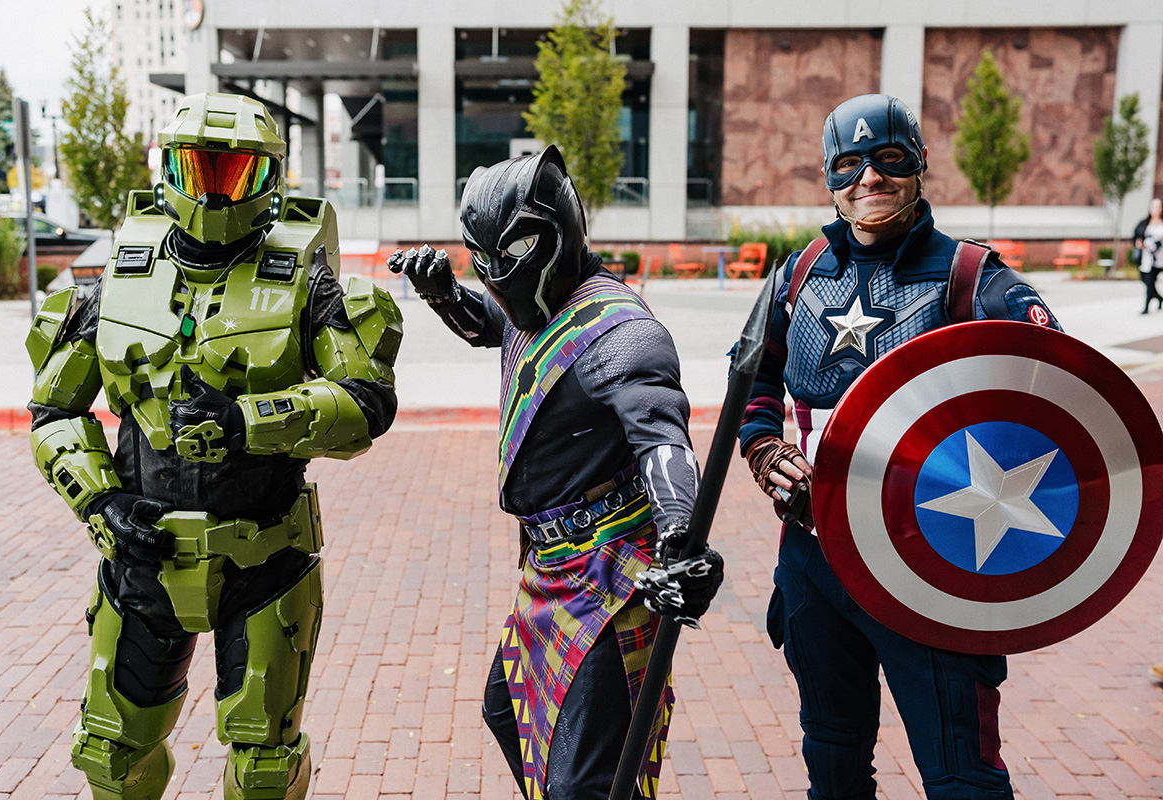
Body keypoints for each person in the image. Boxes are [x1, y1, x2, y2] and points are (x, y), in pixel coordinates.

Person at [26, 92, 402, 800]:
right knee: (110, 755)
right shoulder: (118, 278)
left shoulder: (310, 283)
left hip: (262, 559)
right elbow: (53, 410)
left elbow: (366, 403)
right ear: (167, 172)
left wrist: (251, 419)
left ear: (270, 179)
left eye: (234, 174)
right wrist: (101, 503)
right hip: (142, 559)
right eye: (196, 171)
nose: (213, 193)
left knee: (263, 767)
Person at [737, 94, 1061, 800]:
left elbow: (1061, 399)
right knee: (832, 760)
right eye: (849, 164)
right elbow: (754, 381)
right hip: (816, 559)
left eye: (888, 158)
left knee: (963, 778)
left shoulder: (973, 279)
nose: (869, 179)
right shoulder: (798, 274)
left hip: (935, 570)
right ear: (828, 173)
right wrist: (763, 450)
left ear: (919, 164)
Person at [387, 145, 723, 800]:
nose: (497, 275)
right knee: (506, 711)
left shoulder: (621, 334)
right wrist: (445, 294)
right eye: (482, 258)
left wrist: (682, 530)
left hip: (609, 573)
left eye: (511, 253)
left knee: (585, 784)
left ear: (557, 233)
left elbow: (662, 438)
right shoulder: (540, 313)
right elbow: (496, 326)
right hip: (550, 565)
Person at [1132, 197, 1163, 314]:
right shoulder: (1144, 223)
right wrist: (1137, 242)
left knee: (1150, 282)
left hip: (1160, 258)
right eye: (1153, 206)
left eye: (1158, 207)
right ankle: (1159, 298)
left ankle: (1146, 307)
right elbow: (1136, 236)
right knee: (1147, 280)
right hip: (1147, 258)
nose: (1155, 209)